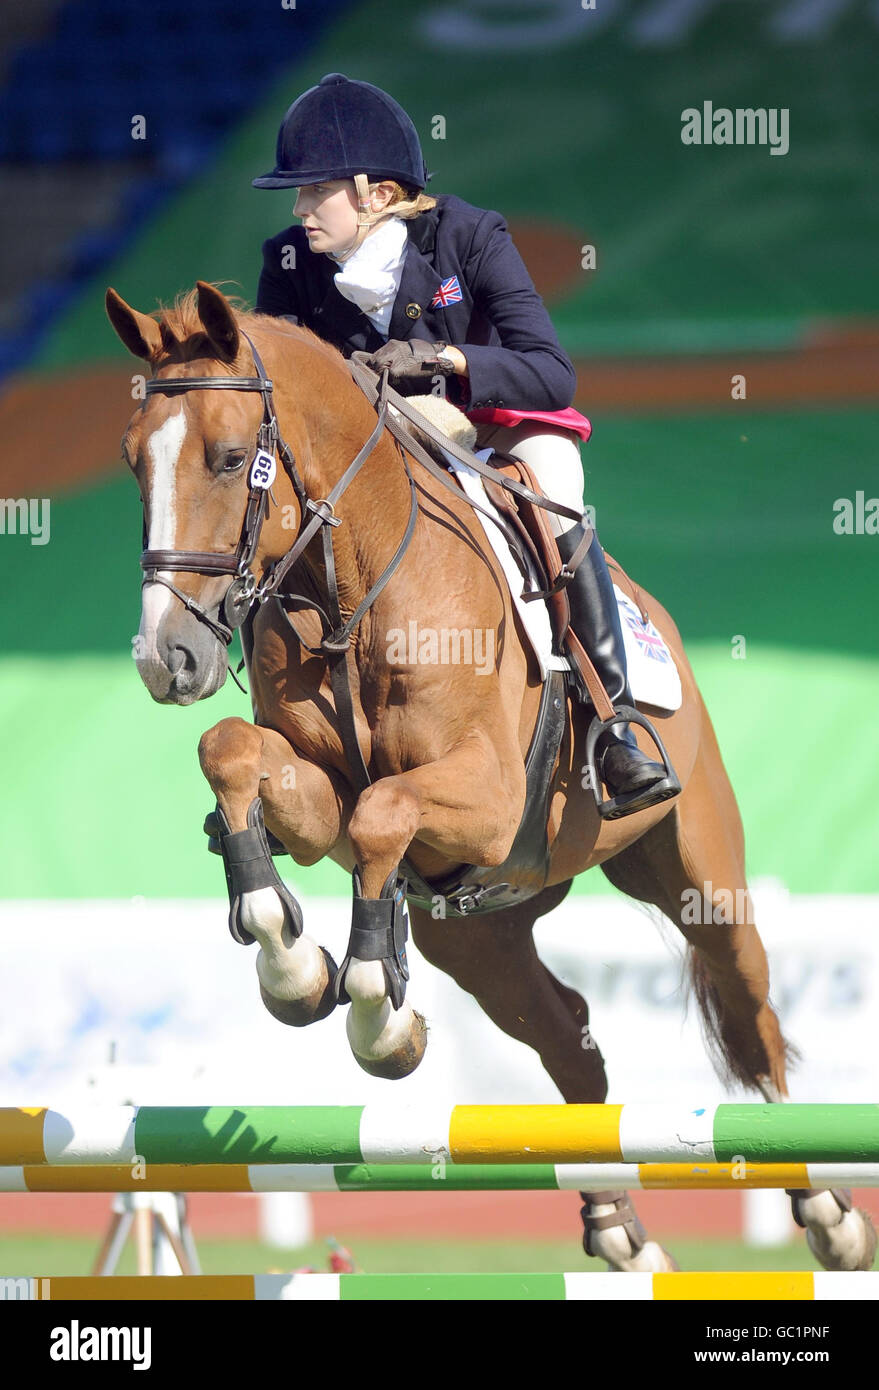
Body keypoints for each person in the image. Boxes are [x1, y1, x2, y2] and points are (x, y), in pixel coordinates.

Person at [252, 72, 678, 818]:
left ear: (377, 193)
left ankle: (613, 726)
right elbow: (274, 397)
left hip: (488, 430)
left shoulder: (469, 236)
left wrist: (445, 361)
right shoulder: (288, 262)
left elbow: (551, 372)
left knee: (556, 492)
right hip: (372, 454)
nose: (299, 209)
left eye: (314, 191)